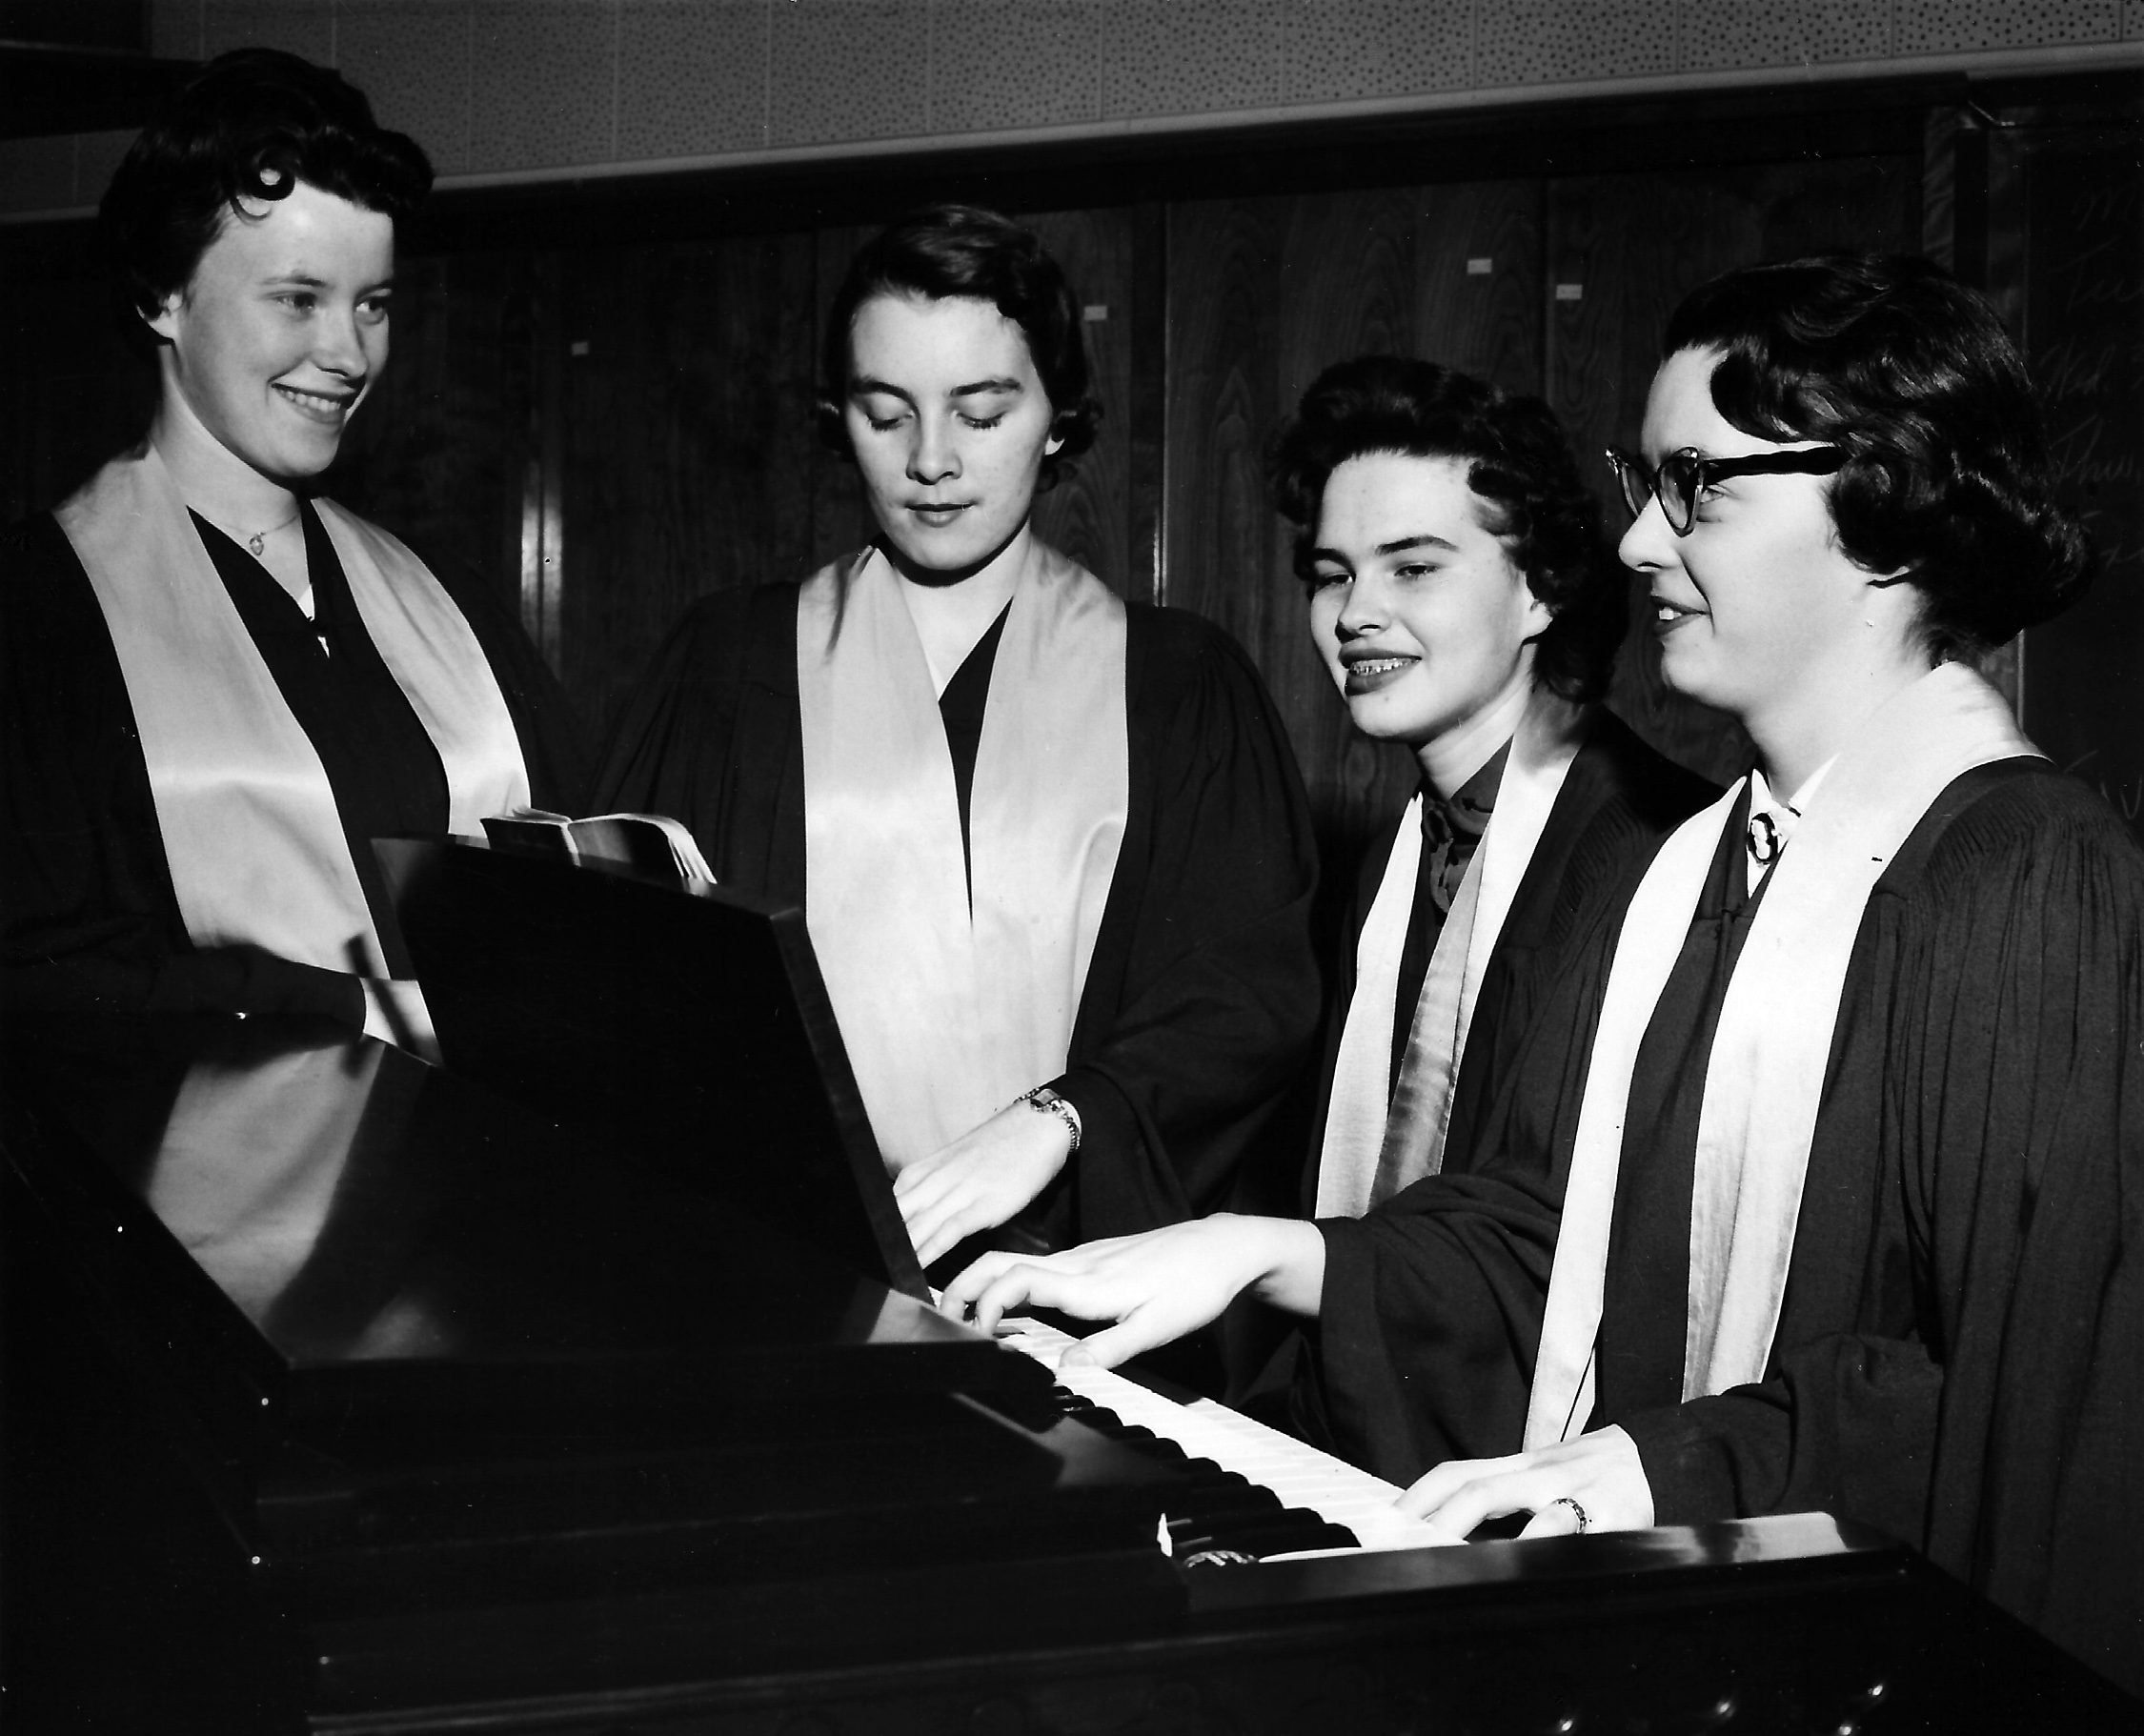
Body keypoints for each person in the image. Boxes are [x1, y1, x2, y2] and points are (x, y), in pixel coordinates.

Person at [944, 254, 2143, 1695]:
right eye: (1642, 483)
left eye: (1694, 485)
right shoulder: (1705, 864)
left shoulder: (2020, 874)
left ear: (1881, 503)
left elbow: (2026, 1409)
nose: (1638, 544)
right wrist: (1262, 1248)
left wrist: (1645, 1464)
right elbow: (1546, 1234)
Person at [598, 205, 1320, 1276]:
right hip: (783, 1274)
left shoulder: (1175, 686)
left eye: (980, 413)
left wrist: (1067, 1117)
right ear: (837, 418)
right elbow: (630, 992)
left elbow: (1239, 1002)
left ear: (1058, 417)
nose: (931, 461)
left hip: (1078, 1286)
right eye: (886, 414)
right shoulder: (727, 668)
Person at [1, 50, 585, 1053]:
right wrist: (348, 1009)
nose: (350, 355)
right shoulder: (37, 608)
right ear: (161, 298)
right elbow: (38, 977)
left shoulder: (449, 602)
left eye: (375, 304)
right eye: (298, 298)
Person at [1272, 357, 1712, 1223]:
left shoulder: (1659, 855)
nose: (1356, 612)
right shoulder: (1387, 868)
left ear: (1542, 591)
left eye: (1413, 568)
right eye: (1333, 573)